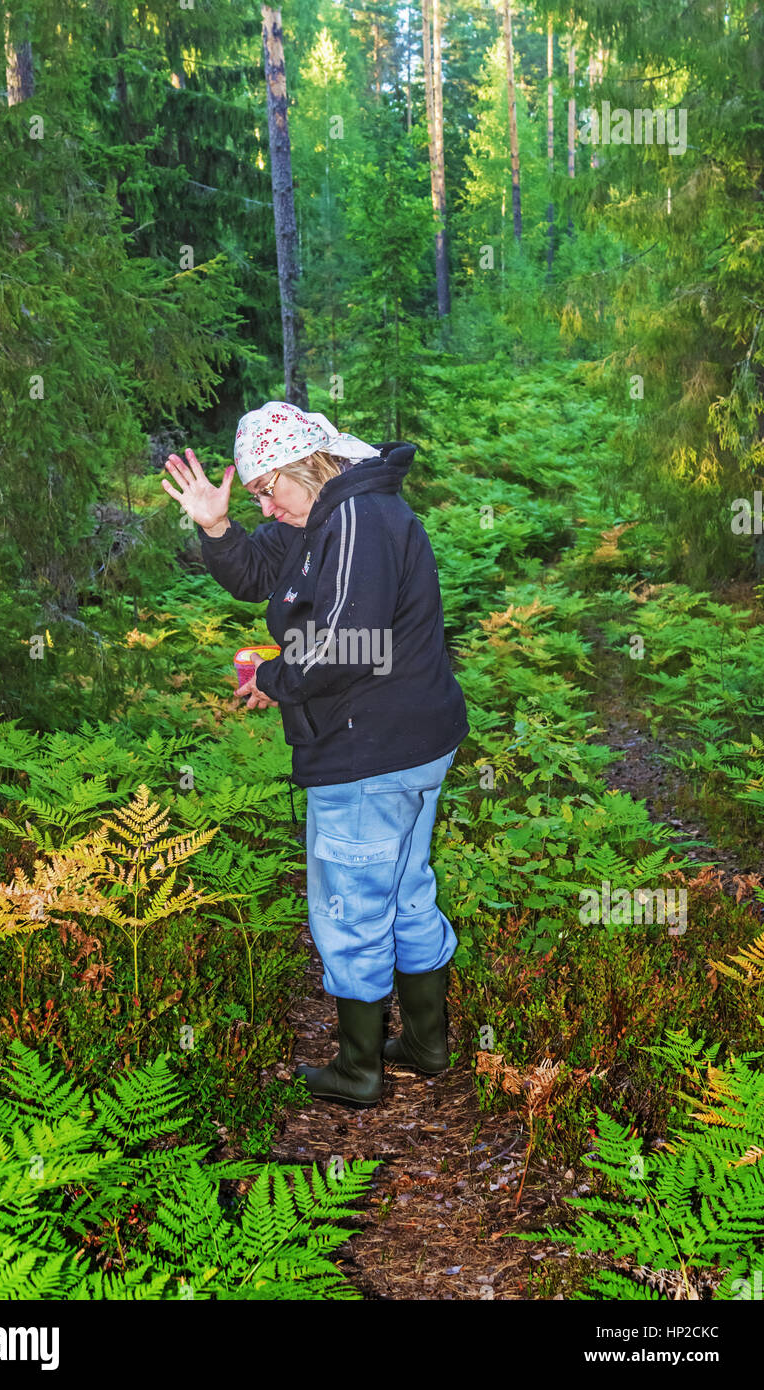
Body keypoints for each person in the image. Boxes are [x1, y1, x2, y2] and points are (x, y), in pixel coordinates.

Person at [161, 401, 469, 1106]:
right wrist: (215, 524)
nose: (265, 506)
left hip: (369, 749)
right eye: (258, 495)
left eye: (269, 489)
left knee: (351, 907)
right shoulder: (323, 515)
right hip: (407, 740)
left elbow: (344, 645)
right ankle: (425, 1044)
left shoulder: (357, 520)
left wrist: (275, 677)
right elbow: (253, 575)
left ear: (308, 466)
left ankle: (357, 1071)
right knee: (405, 890)